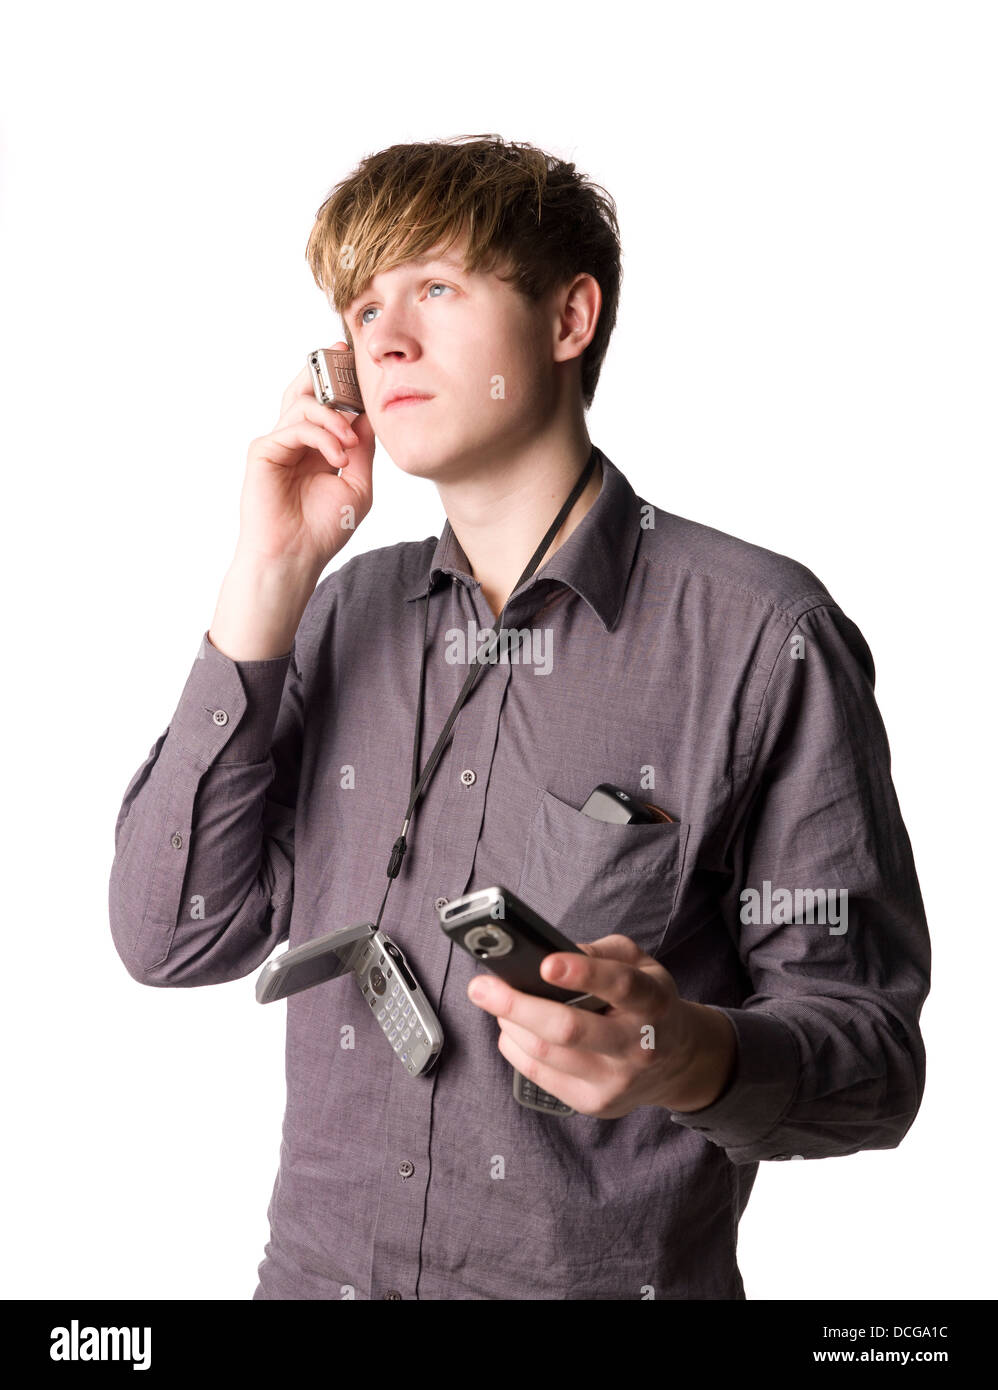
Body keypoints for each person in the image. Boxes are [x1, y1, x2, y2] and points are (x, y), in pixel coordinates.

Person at [108, 133, 930, 1301]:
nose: (383, 337)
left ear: (566, 318)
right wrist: (265, 577)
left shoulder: (759, 632)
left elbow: (872, 1063)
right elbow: (170, 932)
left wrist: (679, 1052)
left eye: (434, 287)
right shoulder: (339, 616)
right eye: (360, 307)